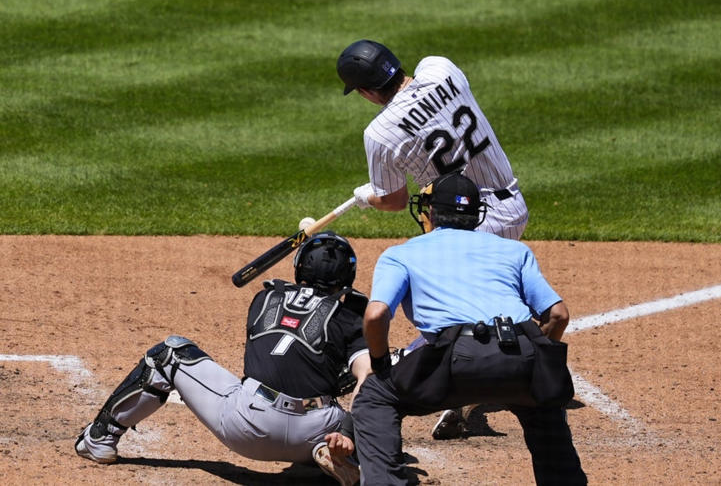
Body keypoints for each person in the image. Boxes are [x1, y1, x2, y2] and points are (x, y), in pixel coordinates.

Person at [337, 39, 529, 437]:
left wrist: (367, 197)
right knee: (484, 304)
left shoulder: (379, 133)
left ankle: (396, 378)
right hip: (512, 206)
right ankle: (483, 379)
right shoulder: (439, 66)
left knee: (445, 311)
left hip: (468, 223)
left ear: (368, 91)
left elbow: (394, 200)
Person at [75, 232, 371, 486]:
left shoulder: (265, 299)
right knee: (381, 380)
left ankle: (99, 439)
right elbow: (365, 375)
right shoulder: (351, 318)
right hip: (316, 430)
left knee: (169, 353)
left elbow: (278, 351)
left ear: (299, 266)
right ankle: (347, 454)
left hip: (249, 425)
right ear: (348, 276)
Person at [351, 172, 587, 485]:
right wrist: (536, 362)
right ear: (477, 214)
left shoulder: (401, 254)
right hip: (518, 350)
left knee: (374, 397)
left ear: (431, 212)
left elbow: (376, 315)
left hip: (452, 361)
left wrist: (381, 364)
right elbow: (558, 315)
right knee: (542, 398)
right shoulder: (514, 251)